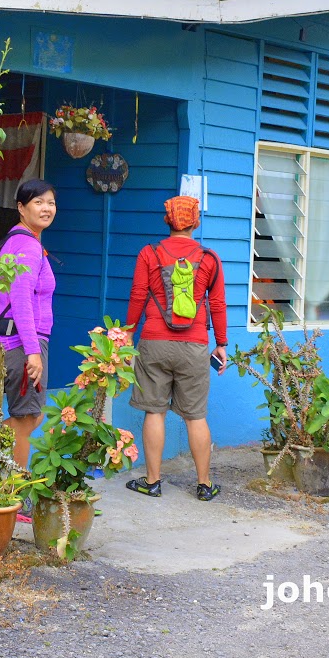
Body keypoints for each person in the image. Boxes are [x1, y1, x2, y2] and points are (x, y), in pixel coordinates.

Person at [124, 194, 228, 501]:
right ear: (196, 222)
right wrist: (221, 343)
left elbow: (137, 295)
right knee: (195, 416)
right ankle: (204, 485)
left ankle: (152, 482)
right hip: (194, 345)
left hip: (154, 342)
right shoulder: (209, 258)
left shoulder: (149, 253)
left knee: (155, 411)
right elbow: (218, 304)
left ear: (167, 220)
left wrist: (128, 335)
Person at [0, 179, 57, 488]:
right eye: (38, 202)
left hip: (16, 341)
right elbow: (21, 301)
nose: (46, 208)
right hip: (19, 343)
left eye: (51, 203)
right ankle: (13, 492)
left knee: (29, 416)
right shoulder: (27, 246)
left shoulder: (22, 241)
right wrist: (33, 351)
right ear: (21, 207)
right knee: (27, 417)